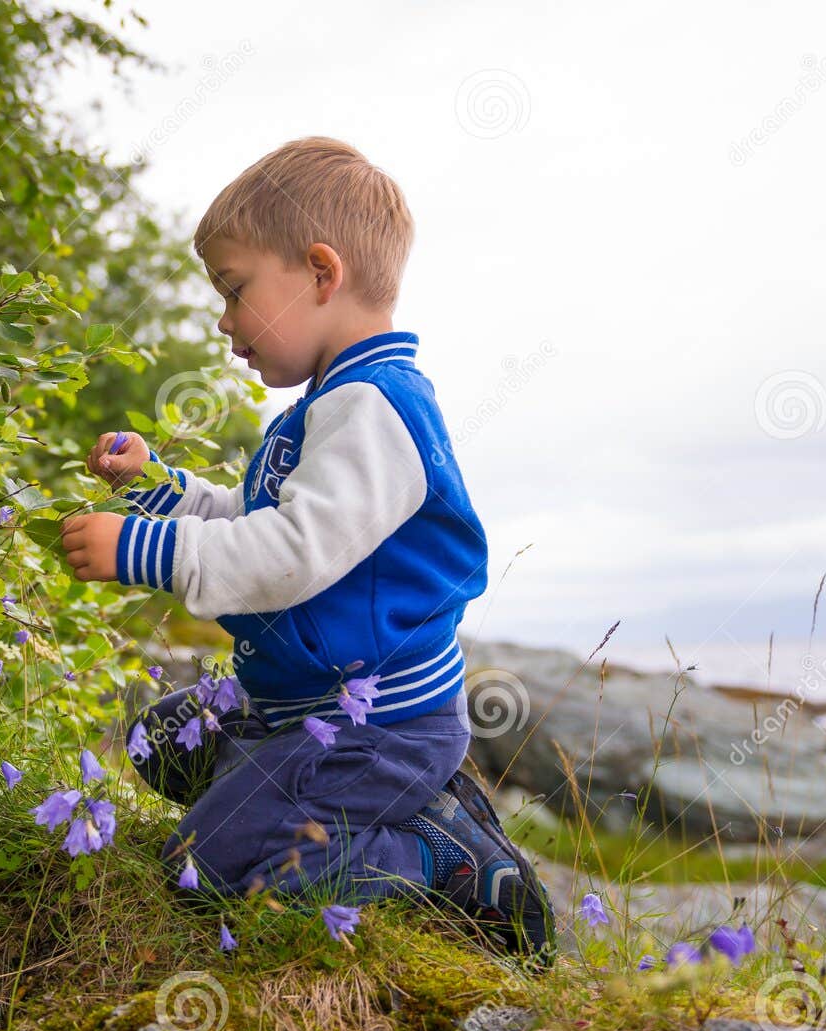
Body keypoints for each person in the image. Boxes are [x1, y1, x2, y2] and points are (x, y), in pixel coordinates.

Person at [60, 136, 553, 961]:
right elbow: (253, 518)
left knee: (209, 870)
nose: (223, 321)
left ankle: (441, 858)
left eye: (235, 289)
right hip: (309, 714)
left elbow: (291, 555)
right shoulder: (329, 405)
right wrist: (158, 489)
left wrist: (146, 549)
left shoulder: (375, 409)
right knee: (157, 741)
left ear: (322, 274)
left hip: (383, 727)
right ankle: (318, 796)